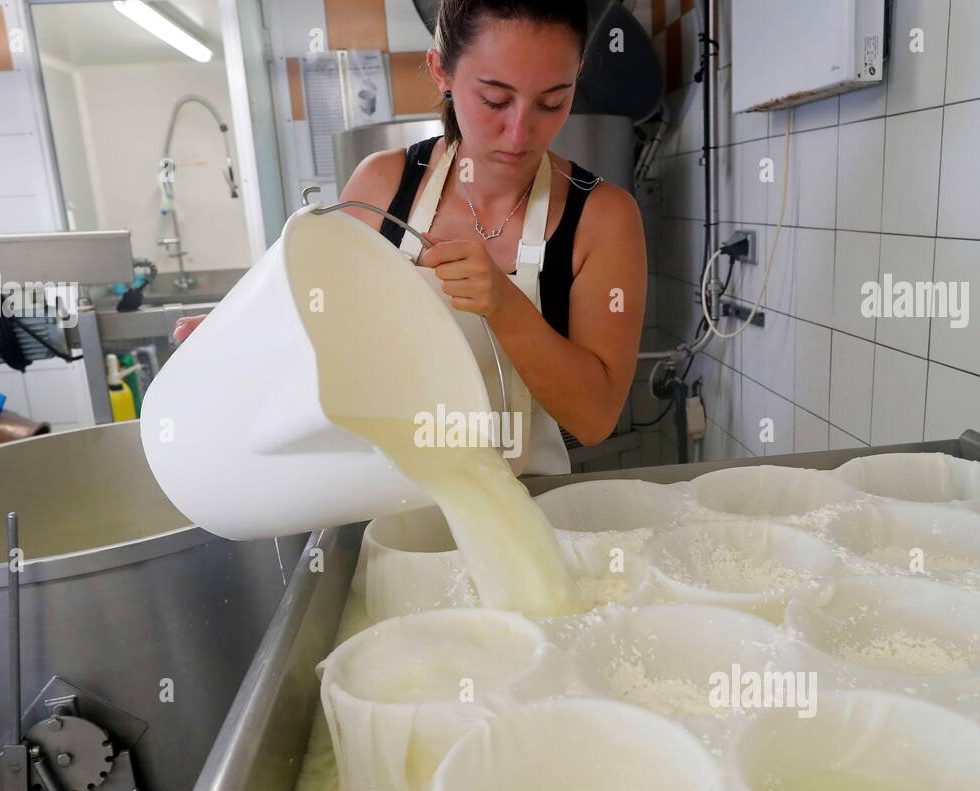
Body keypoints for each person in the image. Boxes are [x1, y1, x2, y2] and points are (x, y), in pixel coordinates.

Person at [176, 0, 646, 472]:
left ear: (577, 76)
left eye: (551, 101)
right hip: (386, 493)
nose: (519, 132)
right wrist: (243, 343)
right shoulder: (383, 186)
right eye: (495, 100)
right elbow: (326, 332)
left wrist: (506, 307)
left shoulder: (602, 217)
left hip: (526, 503)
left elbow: (594, 418)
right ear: (440, 71)